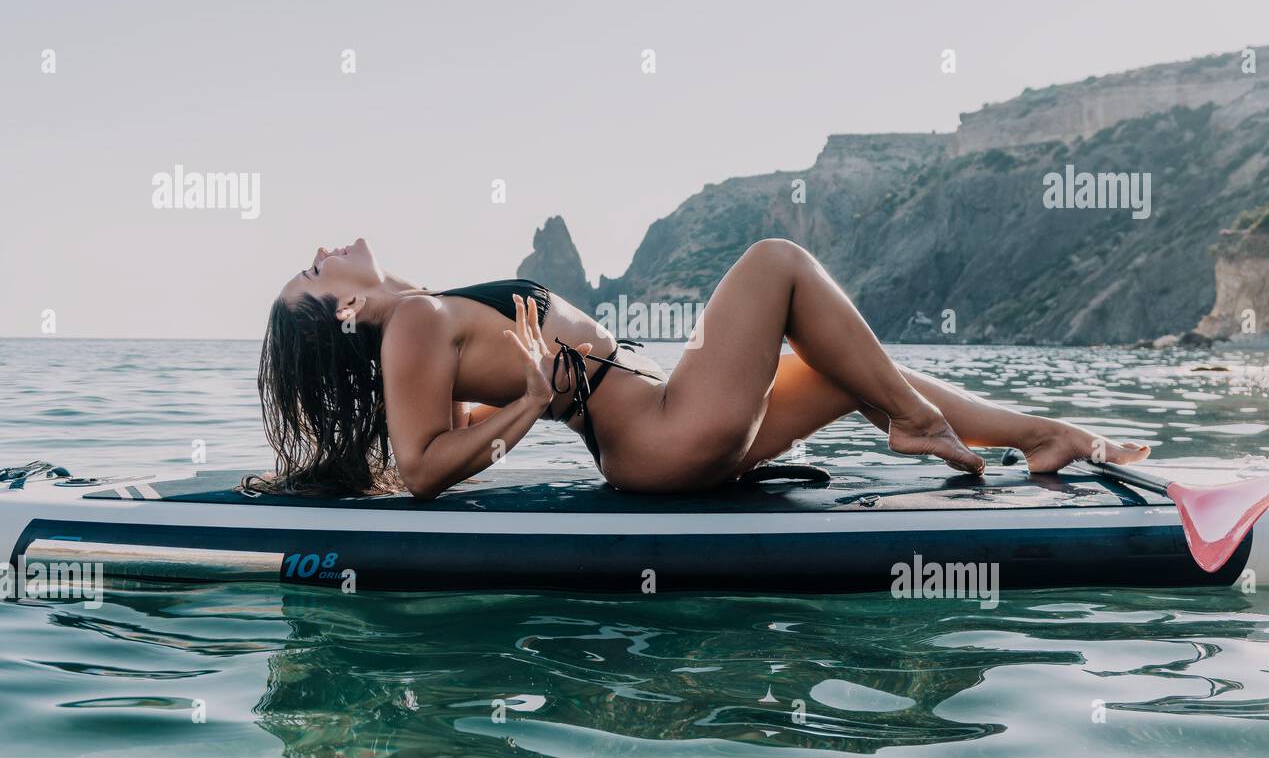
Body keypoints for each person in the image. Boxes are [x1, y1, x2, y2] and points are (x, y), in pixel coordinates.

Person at [252, 237, 1149, 497]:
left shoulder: (428, 313)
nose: (324, 247)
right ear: (337, 308)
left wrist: (527, 397)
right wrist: (530, 397)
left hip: (673, 417)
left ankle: (1047, 437)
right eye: (312, 267)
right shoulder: (410, 323)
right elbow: (421, 472)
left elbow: (438, 440)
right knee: (775, 261)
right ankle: (918, 427)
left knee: (849, 371)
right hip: (664, 438)